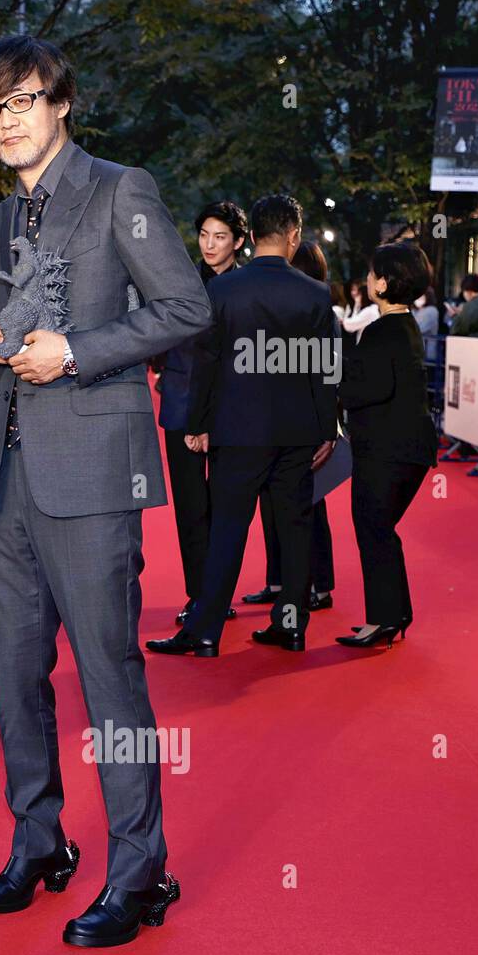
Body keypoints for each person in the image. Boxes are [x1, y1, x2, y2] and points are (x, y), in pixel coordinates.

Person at [0, 36, 204, 947]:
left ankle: (142, 871)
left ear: (62, 102)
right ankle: (39, 843)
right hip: (7, 476)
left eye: (21, 99)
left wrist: (79, 352)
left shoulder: (119, 190)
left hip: (95, 478)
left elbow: (187, 306)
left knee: (110, 677)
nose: (6, 120)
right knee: (13, 676)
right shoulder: (0, 219)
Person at [149, 194, 338, 658]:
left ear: (250, 236)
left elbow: (208, 366)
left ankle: (206, 631)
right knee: (294, 532)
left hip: (236, 433)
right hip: (296, 436)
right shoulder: (315, 294)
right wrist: (327, 430)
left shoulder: (223, 291)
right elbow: (325, 369)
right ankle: (291, 627)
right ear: (293, 235)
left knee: (226, 532)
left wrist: (197, 423)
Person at [336, 243, 439, 649]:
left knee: (373, 529)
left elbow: (373, 388)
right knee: (381, 530)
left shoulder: (382, 330)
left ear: (382, 281)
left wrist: (336, 388)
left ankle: (384, 620)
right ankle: (393, 615)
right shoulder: (406, 325)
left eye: (371, 272)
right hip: (408, 448)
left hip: (386, 449)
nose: (366, 279)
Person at [158, 201, 246, 625]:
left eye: (221, 236)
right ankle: (199, 596)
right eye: (205, 235)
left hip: (231, 412)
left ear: (239, 242)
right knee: (191, 507)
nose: (210, 245)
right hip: (180, 405)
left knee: (226, 508)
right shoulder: (180, 281)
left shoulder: (247, 288)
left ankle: (220, 594)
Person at [244, 239, 337, 611]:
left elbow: (328, 367)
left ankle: (321, 585)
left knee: (310, 506)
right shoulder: (289, 307)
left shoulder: (319, 307)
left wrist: (326, 425)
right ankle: (279, 580)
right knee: (273, 506)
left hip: (308, 420)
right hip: (274, 420)